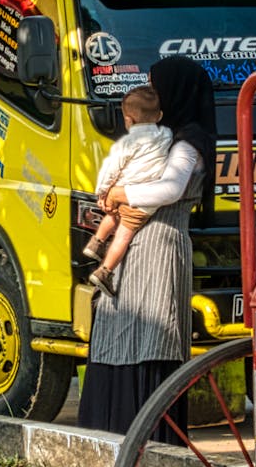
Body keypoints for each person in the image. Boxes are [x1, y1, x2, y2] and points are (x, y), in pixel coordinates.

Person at [77, 56, 217, 439]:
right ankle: (110, 436)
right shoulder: (162, 137)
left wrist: (119, 191)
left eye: (157, 87)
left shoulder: (189, 141)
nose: (151, 95)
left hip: (158, 247)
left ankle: (146, 441)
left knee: (152, 339)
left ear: (175, 92)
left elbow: (170, 189)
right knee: (116, 333)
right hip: (132, 247)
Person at [84, 86, 172, 297]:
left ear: (128, 121)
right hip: (143, 199)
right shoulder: (167, 136)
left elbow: (110, 168)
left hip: (121, 188)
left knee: (112, 215)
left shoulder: (126, 143)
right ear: (159, 116)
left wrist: (102, 191)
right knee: (124, 235)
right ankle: (104, 271)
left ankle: (96, 243)